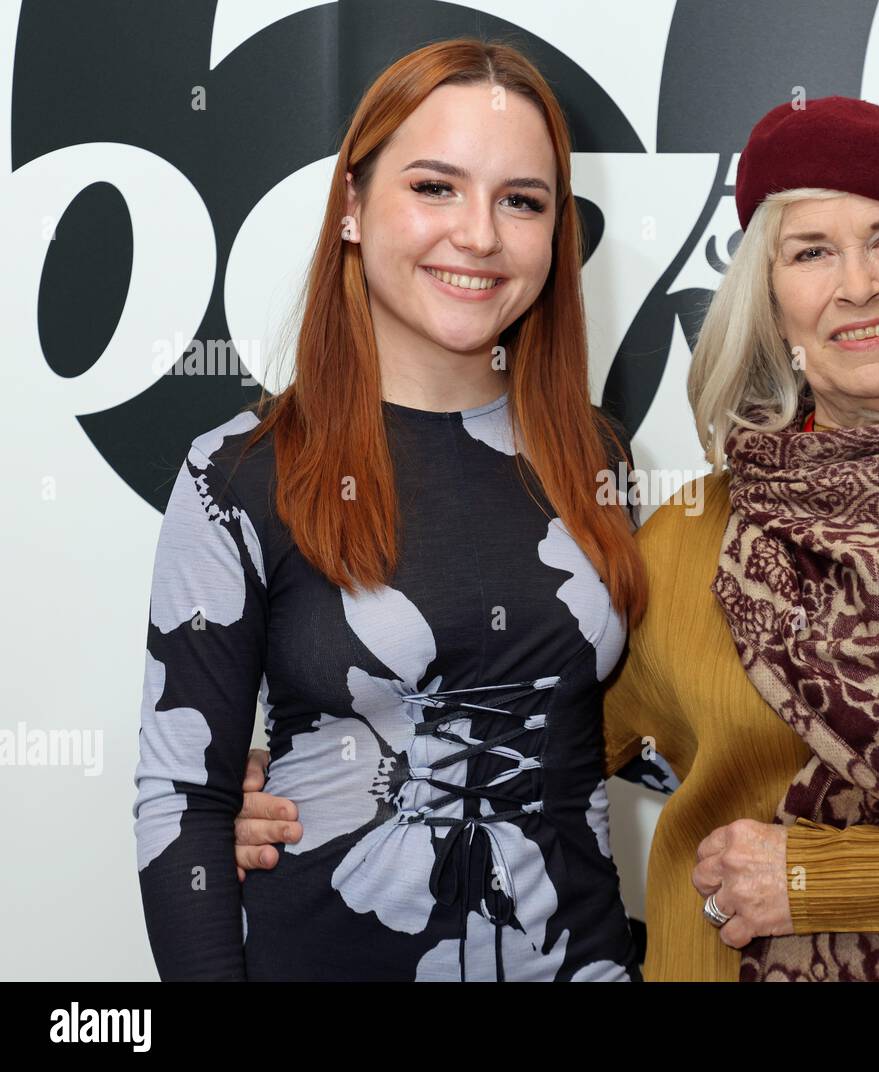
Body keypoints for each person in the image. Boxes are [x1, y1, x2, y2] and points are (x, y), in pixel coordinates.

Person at [236, 97, 879, 982]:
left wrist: (825, 883)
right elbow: (538, 752)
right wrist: (314, 790)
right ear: (768, 301)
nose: (857, 286)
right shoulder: (693, 535)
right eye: (810, 252)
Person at [131, 38, 648, 981]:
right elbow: (181, 801)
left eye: (521, 201)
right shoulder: (238, 473)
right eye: (436, 187)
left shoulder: (599, 455)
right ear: (352, 210)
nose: (480, 236)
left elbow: (631, 730)